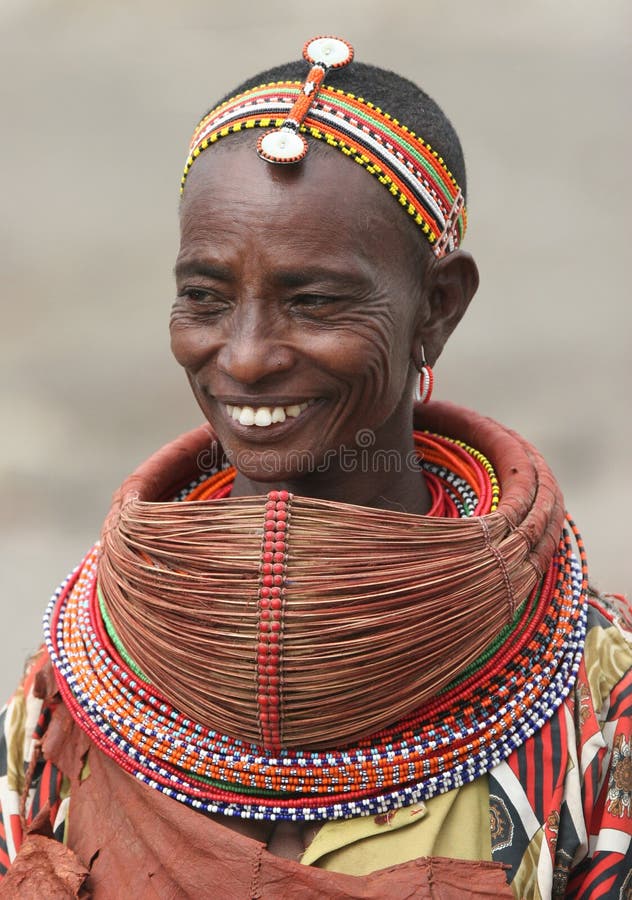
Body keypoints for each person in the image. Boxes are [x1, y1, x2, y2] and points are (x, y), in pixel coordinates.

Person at [0, 35, 630, 899]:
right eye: (205, 297)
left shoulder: (596, 704)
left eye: (317, 300)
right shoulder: (73, 685)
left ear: (438, 308)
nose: (248, 357)